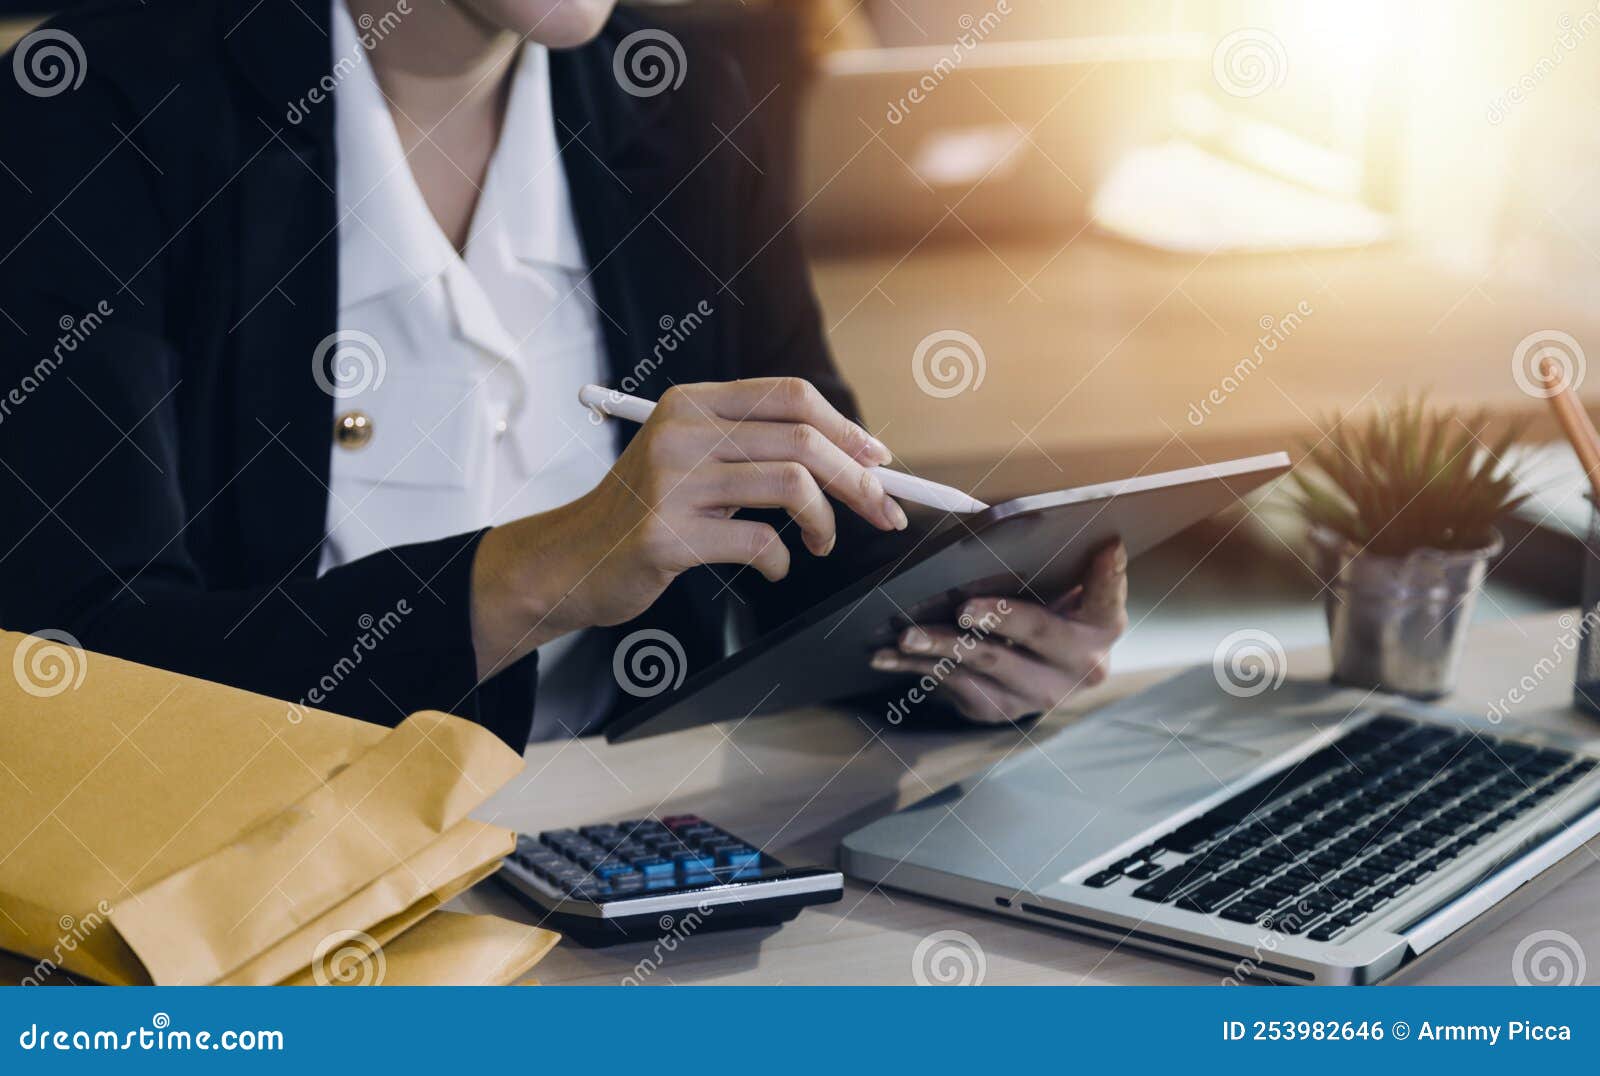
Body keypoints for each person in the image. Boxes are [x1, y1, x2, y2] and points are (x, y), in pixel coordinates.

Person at [0, 0, 1127, 747]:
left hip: (638, 880)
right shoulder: (95, 110)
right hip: (272, 909)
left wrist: (969, 640)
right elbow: (84, 668)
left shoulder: (680, 93)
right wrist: (541, 570)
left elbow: (824, 552)